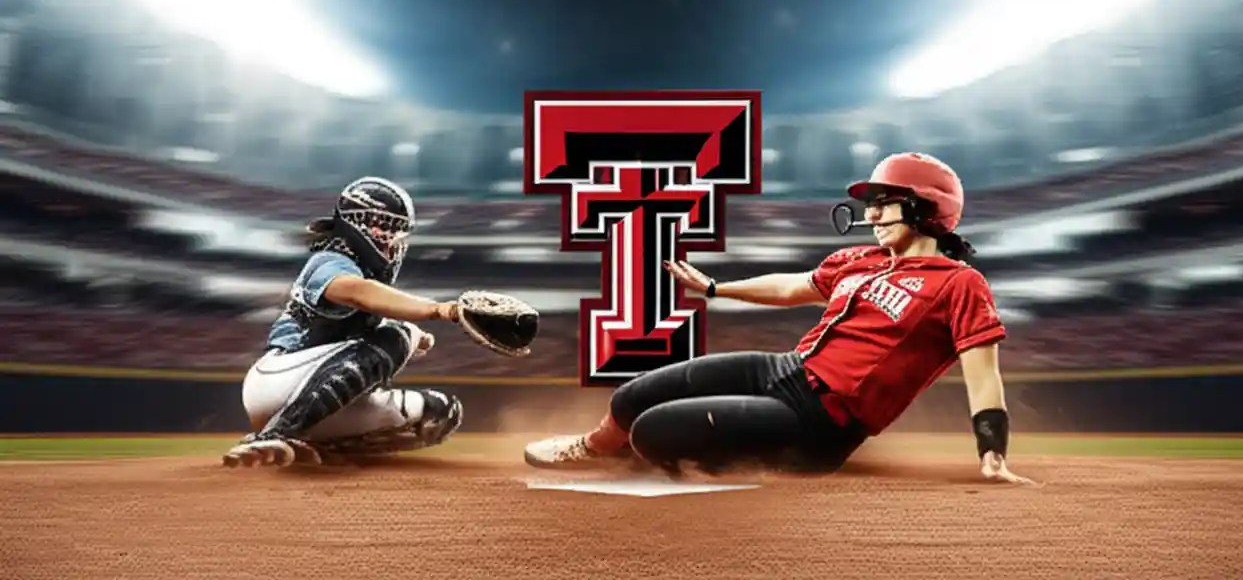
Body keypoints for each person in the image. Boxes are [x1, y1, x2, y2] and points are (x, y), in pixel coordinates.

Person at [524, 152, 1035, 484]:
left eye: (884, 203)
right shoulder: (861, 260)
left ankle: (676, 457)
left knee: (655, 430)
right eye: (871, 205)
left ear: (927, 209)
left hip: (820, 421)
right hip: (785, 368)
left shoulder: (958, 283)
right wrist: (715, 287)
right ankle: (596, 449)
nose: (871, 215)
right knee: (631, 397)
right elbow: (793, 287)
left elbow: (983, 376)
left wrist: (992, 453)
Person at [223, 176, 467, 468]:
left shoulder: (361, 275)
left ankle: (314, 444)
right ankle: (277, 433)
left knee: (442, 411)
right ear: (357, 224)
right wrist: (438, 310)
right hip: (278, 381)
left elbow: (366, 308)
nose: (390, 238)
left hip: (323, 403)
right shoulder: (329, 260)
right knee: (399, 334)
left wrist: (416, 337)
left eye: (396, 230)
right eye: (382, 226)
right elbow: (355, 292)